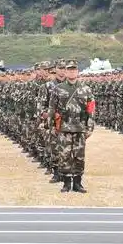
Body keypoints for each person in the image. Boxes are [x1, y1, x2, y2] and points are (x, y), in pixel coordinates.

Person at [47, 59, 95, 193]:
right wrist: (51, 126)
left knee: (79, 156)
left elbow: (91, 109)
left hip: (80, 127)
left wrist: (90, 127)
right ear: (66, 72)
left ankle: (78, 183)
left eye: (74, 69)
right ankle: (67, 183)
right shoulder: (58, 89)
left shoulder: (86, 89)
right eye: (69, 70)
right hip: (64, 127)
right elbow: (52, 108)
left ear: (77, 72)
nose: (72, 72)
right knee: (65, 156)